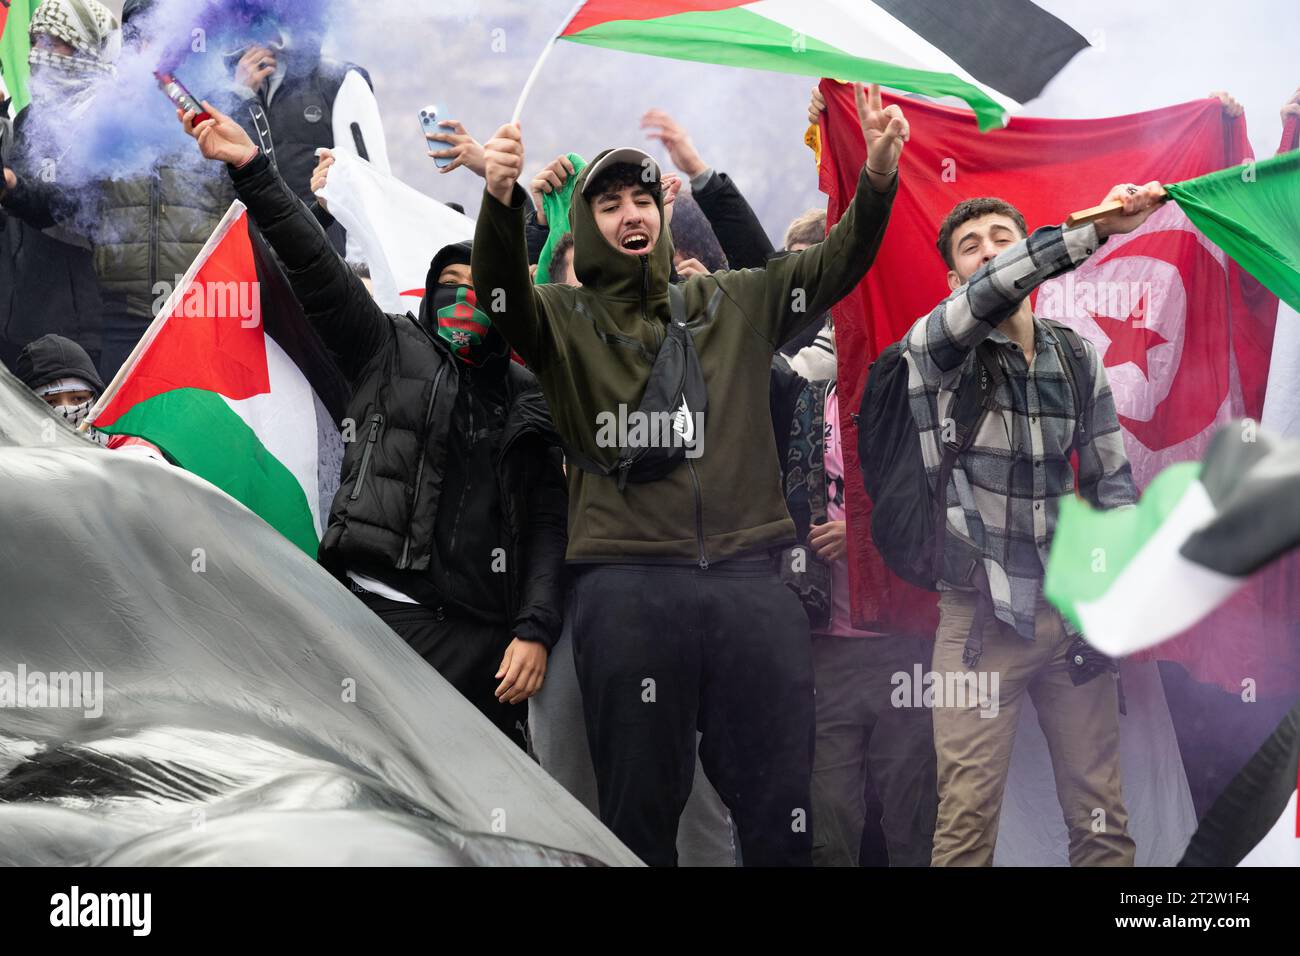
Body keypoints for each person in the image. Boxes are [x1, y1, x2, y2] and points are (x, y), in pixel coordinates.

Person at [472, 83, 908, 866]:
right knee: (641, 814)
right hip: (627, 588)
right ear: (585, 225)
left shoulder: (735, 300)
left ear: (663, 216)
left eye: (643, 199)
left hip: (752, 587)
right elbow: (499, 297)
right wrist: (500, 201)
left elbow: (837, 264)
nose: (631, 213)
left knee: (781, 810)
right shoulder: (562, 319)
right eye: (608, 204)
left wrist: (875, 182)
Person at [179, 101, 567, 749]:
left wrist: (534, 629)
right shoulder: (387, 348)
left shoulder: (529, 396)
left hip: (476, 641)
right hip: (366, 615)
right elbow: (315, 268)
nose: (463, 297)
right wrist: (252, 168)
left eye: (479, 287)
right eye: (449, 283)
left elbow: (548, 523)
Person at [904, 182, 1164, 866]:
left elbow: (1111, 482)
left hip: (1067, 617)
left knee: (1102, 818)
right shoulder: (936, 347)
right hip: (978, 624)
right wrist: (1099, 223)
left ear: (1028, 250)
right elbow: (992, 290)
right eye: (971, 247)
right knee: (965, 825)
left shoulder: (1076, 354)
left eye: (1003, 238)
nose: (989, 253)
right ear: (951, 276)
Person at [2, 0, 234, 379]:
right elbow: (69, 207)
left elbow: (254, 211)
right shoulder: (108, 116)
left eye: (160, 36)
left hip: (200, 314)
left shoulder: (225, 111)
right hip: (119, 320)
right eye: (137, 37)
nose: (149, 48)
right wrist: (12, 189)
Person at [773, 347, 938, 867]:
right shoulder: (805, 407)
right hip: (825, 651)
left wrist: (863, 536)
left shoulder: (918, 409)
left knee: (913, 820)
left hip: (903, 650)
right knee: (831, 824)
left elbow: (942, 512)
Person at [13, 332, 161, 458]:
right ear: (24, 407)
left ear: (96, 399)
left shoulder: (133, 453)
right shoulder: (11, 458)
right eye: (50, 402)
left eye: (78, 399)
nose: (67, 410)